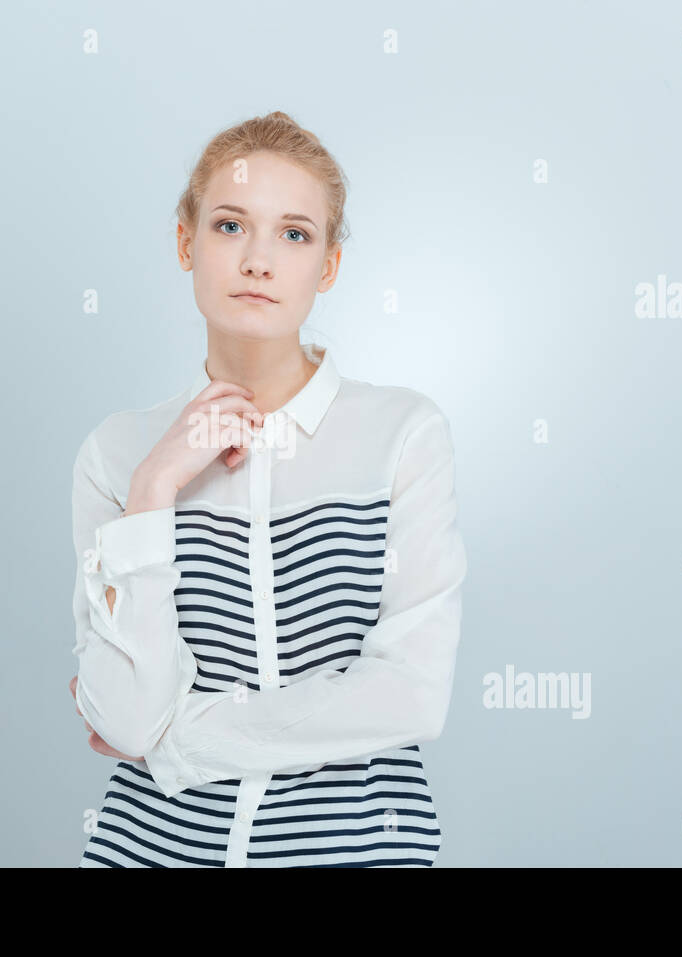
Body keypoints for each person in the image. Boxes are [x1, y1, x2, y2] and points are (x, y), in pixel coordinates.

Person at [69, 111, 468, 867]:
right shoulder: (116, 455)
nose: (259, 260)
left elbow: (409, 692)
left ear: (328, 267)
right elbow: (125, 716)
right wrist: (155, 487)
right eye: (229, 226)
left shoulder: (403, 436)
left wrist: (179, 742)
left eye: (294, 234)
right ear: (186, 243)